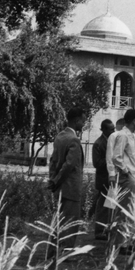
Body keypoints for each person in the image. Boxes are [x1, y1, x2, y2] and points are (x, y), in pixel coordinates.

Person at [47, 107, 87, 250]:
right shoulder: (74, 140)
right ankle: (65, 250)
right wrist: (57, 180)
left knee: (58, 218)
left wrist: (53, 180)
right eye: (83, 121)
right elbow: (69, 166)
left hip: (60, 188)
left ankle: (53, 247)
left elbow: (53, 161)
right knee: (70, 220)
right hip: (71, 187)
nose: (83, 124)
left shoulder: (60, 136)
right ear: (76, 121)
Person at [91, 119, 115, 241]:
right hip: (103, 180)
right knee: (102, 207)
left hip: (111, 179)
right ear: (104, 129)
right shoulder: (98, 143)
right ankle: (99, 231)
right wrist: (110, 159)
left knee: (110, 206)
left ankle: (106, 229)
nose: (114, 131)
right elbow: (96, 163)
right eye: (111, 129)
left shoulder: (112, 141)